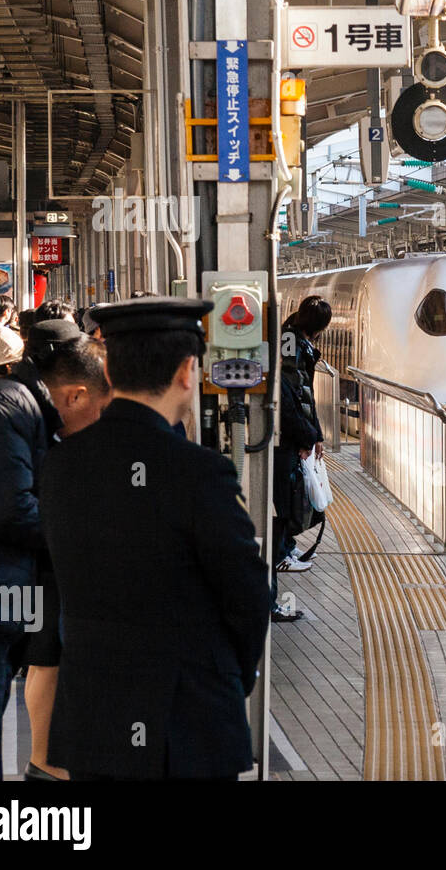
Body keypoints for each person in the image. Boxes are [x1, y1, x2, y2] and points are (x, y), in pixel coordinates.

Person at [39, 297, 270, 780]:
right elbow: (248, 597)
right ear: (188, 371)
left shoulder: (61, 463)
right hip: (183, 723)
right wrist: (230, 678)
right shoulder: (199, 472)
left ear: (109, 368)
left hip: (93, 720)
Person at [0, 321, 107, 779]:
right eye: (98, 412)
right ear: (73, 395)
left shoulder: (30, 414)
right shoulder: (3, 406)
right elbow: (6, 509)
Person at [16, 322, 111, 782]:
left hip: (43, 559)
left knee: (45, 659)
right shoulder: (36, 412)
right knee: (49, 657)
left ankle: (44, 760)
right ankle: (46, 762)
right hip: (49, 558)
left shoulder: (29, 403)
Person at [271, 296, 331, 590]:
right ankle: (280, 553)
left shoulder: (291, 338)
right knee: (286, 494)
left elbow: (304, 395)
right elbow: (295, 396)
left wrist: (314, 433)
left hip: (294, 431)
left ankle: (286, 544)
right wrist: (307, 435)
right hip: (286, 435)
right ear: (318, 327)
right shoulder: (292, 347)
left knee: (290, 491)